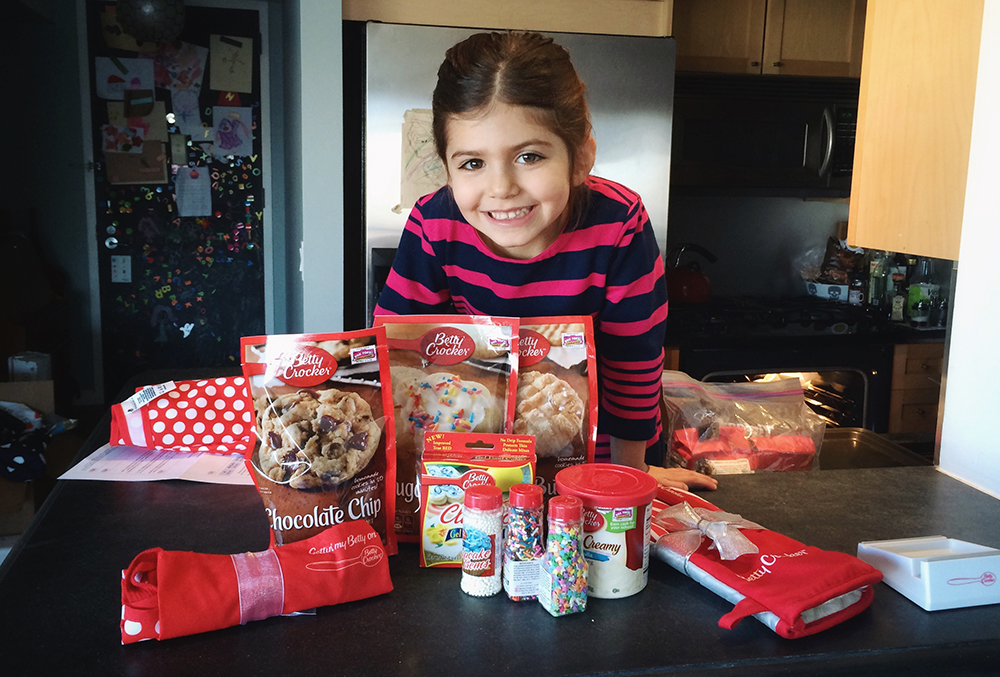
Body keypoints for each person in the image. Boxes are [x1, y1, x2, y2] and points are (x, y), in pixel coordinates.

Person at [374, 31, 716, 492]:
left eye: (529, 156)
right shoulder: (433, 226)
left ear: (581, 159)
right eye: (473, 163)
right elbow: (396, 352)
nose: (501, 188)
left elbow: (632, 363)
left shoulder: (618, 226)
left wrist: (628, 479)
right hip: (467, 465)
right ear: (447, 169)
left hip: (586, 466)